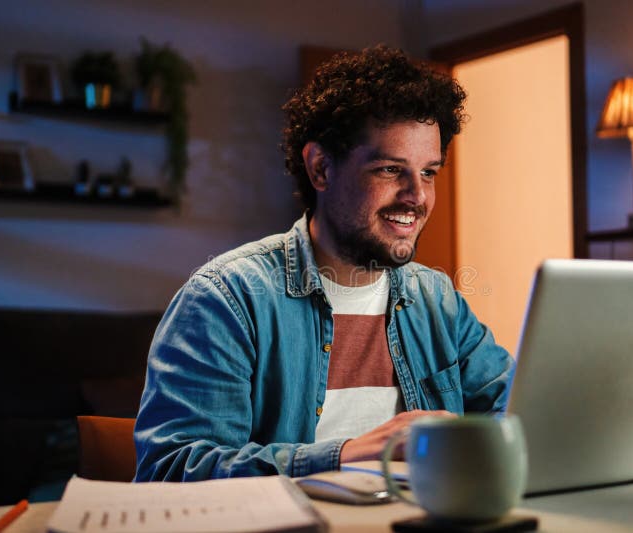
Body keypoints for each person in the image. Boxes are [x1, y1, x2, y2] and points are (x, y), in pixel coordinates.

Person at [134, 45, 514, 481]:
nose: (417, 196)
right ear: (321, 169)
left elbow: (516, 410)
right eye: (391, 170)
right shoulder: (227, 298)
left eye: (429, 172)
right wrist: (346, 454)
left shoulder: (437, 299)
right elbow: (170, 469)